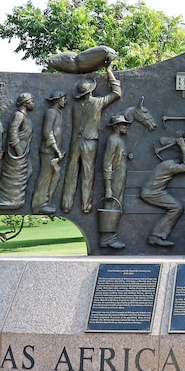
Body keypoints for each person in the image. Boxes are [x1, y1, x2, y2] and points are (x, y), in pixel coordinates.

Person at [61, 65, 122, 214]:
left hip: (75, 142)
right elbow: (117, 93)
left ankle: (66, 205)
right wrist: (109, 72)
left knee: (71, 174)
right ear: (91, 91)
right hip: (90, 142)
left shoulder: (75, 105)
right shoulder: (98, 102)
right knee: (87, 174)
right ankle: (86, 206)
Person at [140, 134, 185, 247]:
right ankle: (155, 236)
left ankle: (156, 236)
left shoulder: (170, 163)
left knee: (177, 207)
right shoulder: (170, 166)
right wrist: (183, 148)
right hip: (152, 193)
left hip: (156, 191)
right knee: (177, 207)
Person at [98, 114, 134, 249]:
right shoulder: (113, 140)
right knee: (111, 207)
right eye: (124, 124)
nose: (126, 127)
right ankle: (107, 238)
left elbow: (117, 158)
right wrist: (108, 187)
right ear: (117, 126)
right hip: (114, 180)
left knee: (116, 207)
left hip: (120, 178)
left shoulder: (119, 140)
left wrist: (126, 156)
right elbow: (107, 164)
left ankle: (110, 237)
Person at [0, 93, 34, 210]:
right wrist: (19, 151)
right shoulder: (19, 115)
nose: (33, 104)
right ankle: (8, 200)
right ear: (25, 103)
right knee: (13, 177)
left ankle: (17, 199)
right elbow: (13, 132)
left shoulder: (24, 115)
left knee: (28, 171)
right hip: (17, 153)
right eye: (31, 101)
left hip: (23, 153)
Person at [30, 91, 66, 215]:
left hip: (53, 151)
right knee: (45, 178)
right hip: (48, 151)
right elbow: (47, 132)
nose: (65, 101)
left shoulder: (57, 113)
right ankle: (38, 205)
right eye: (63, 99)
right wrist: (56, 150)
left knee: (51, 176)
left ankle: (44, 202)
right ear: (57, 100)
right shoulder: (51, 113)